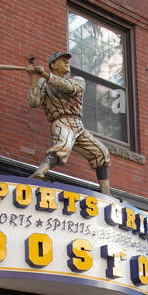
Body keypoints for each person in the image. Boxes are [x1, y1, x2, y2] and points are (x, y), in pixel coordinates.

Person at [27, 51, 111, 194]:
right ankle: (38, 173)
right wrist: (33, 78)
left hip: (78, 124)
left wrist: (46, 75)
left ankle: (106, 193)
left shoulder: (77, 80)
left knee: (101, 153)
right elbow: (34, 102)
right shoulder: (43, 83)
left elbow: (69, 88)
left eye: (67, 60)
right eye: (62, 60)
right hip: (60, 122)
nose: (67, 62)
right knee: (63, 145)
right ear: (53, 65)